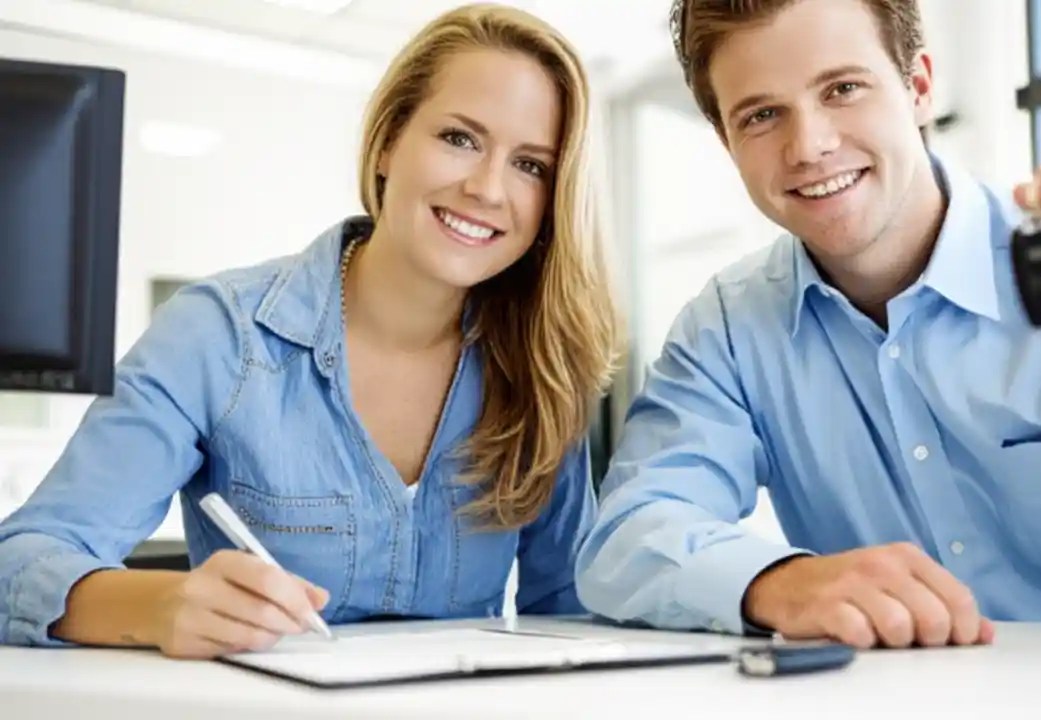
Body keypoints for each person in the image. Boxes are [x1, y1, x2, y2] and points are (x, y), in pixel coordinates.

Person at [575, 0, 1041, 650]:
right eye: (762, 115)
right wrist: (775, 582)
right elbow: (626, 538)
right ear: (727, 141)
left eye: (842, 89)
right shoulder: (727, 328)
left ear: (918, 87)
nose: (809, 145)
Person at [0, 3, 619, 658]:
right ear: (388, 144)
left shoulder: (541, 367)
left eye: (531, 165)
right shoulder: (217, 335)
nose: (488, 188)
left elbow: (574, 615)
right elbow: (21, 560)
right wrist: (158, 605)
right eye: (459, 138)